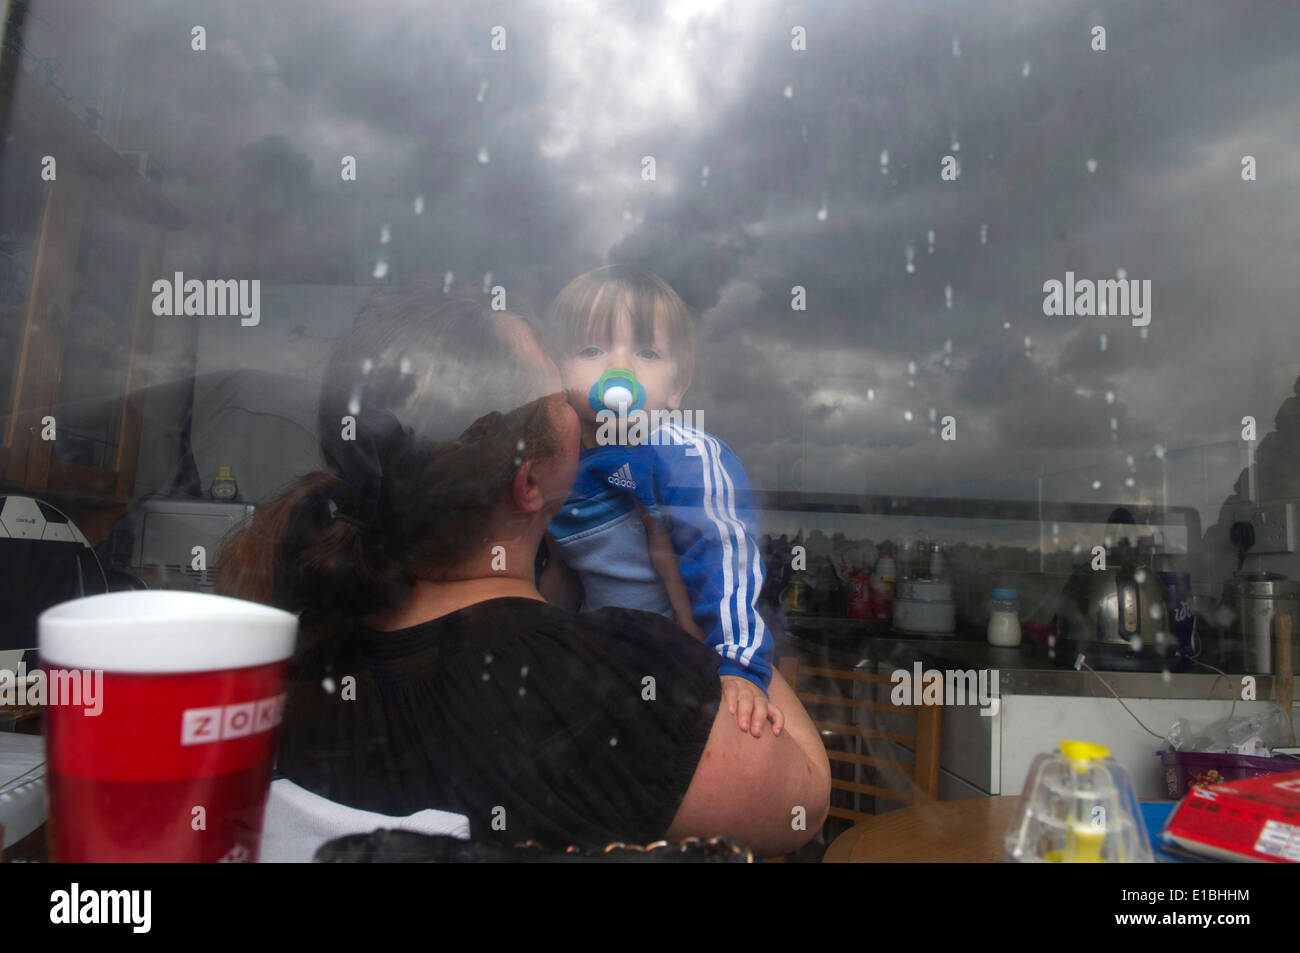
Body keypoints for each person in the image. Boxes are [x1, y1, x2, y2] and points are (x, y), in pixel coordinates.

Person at [217, 287, 830, 857]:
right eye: (563, 396)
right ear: (531, 482)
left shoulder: (299, 642)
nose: (586, 399)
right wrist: (710, 606)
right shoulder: (611, 679)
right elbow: (803, 798)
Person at [541, 266, 779, 738]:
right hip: (597, 666)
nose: (620, 368)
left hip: (680, 668)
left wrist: (737, 666)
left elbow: (725, 553)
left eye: (647, 352)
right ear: (556, 373)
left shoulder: (682, 452)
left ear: (677, 387)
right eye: (592, 349)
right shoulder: (554, 464)